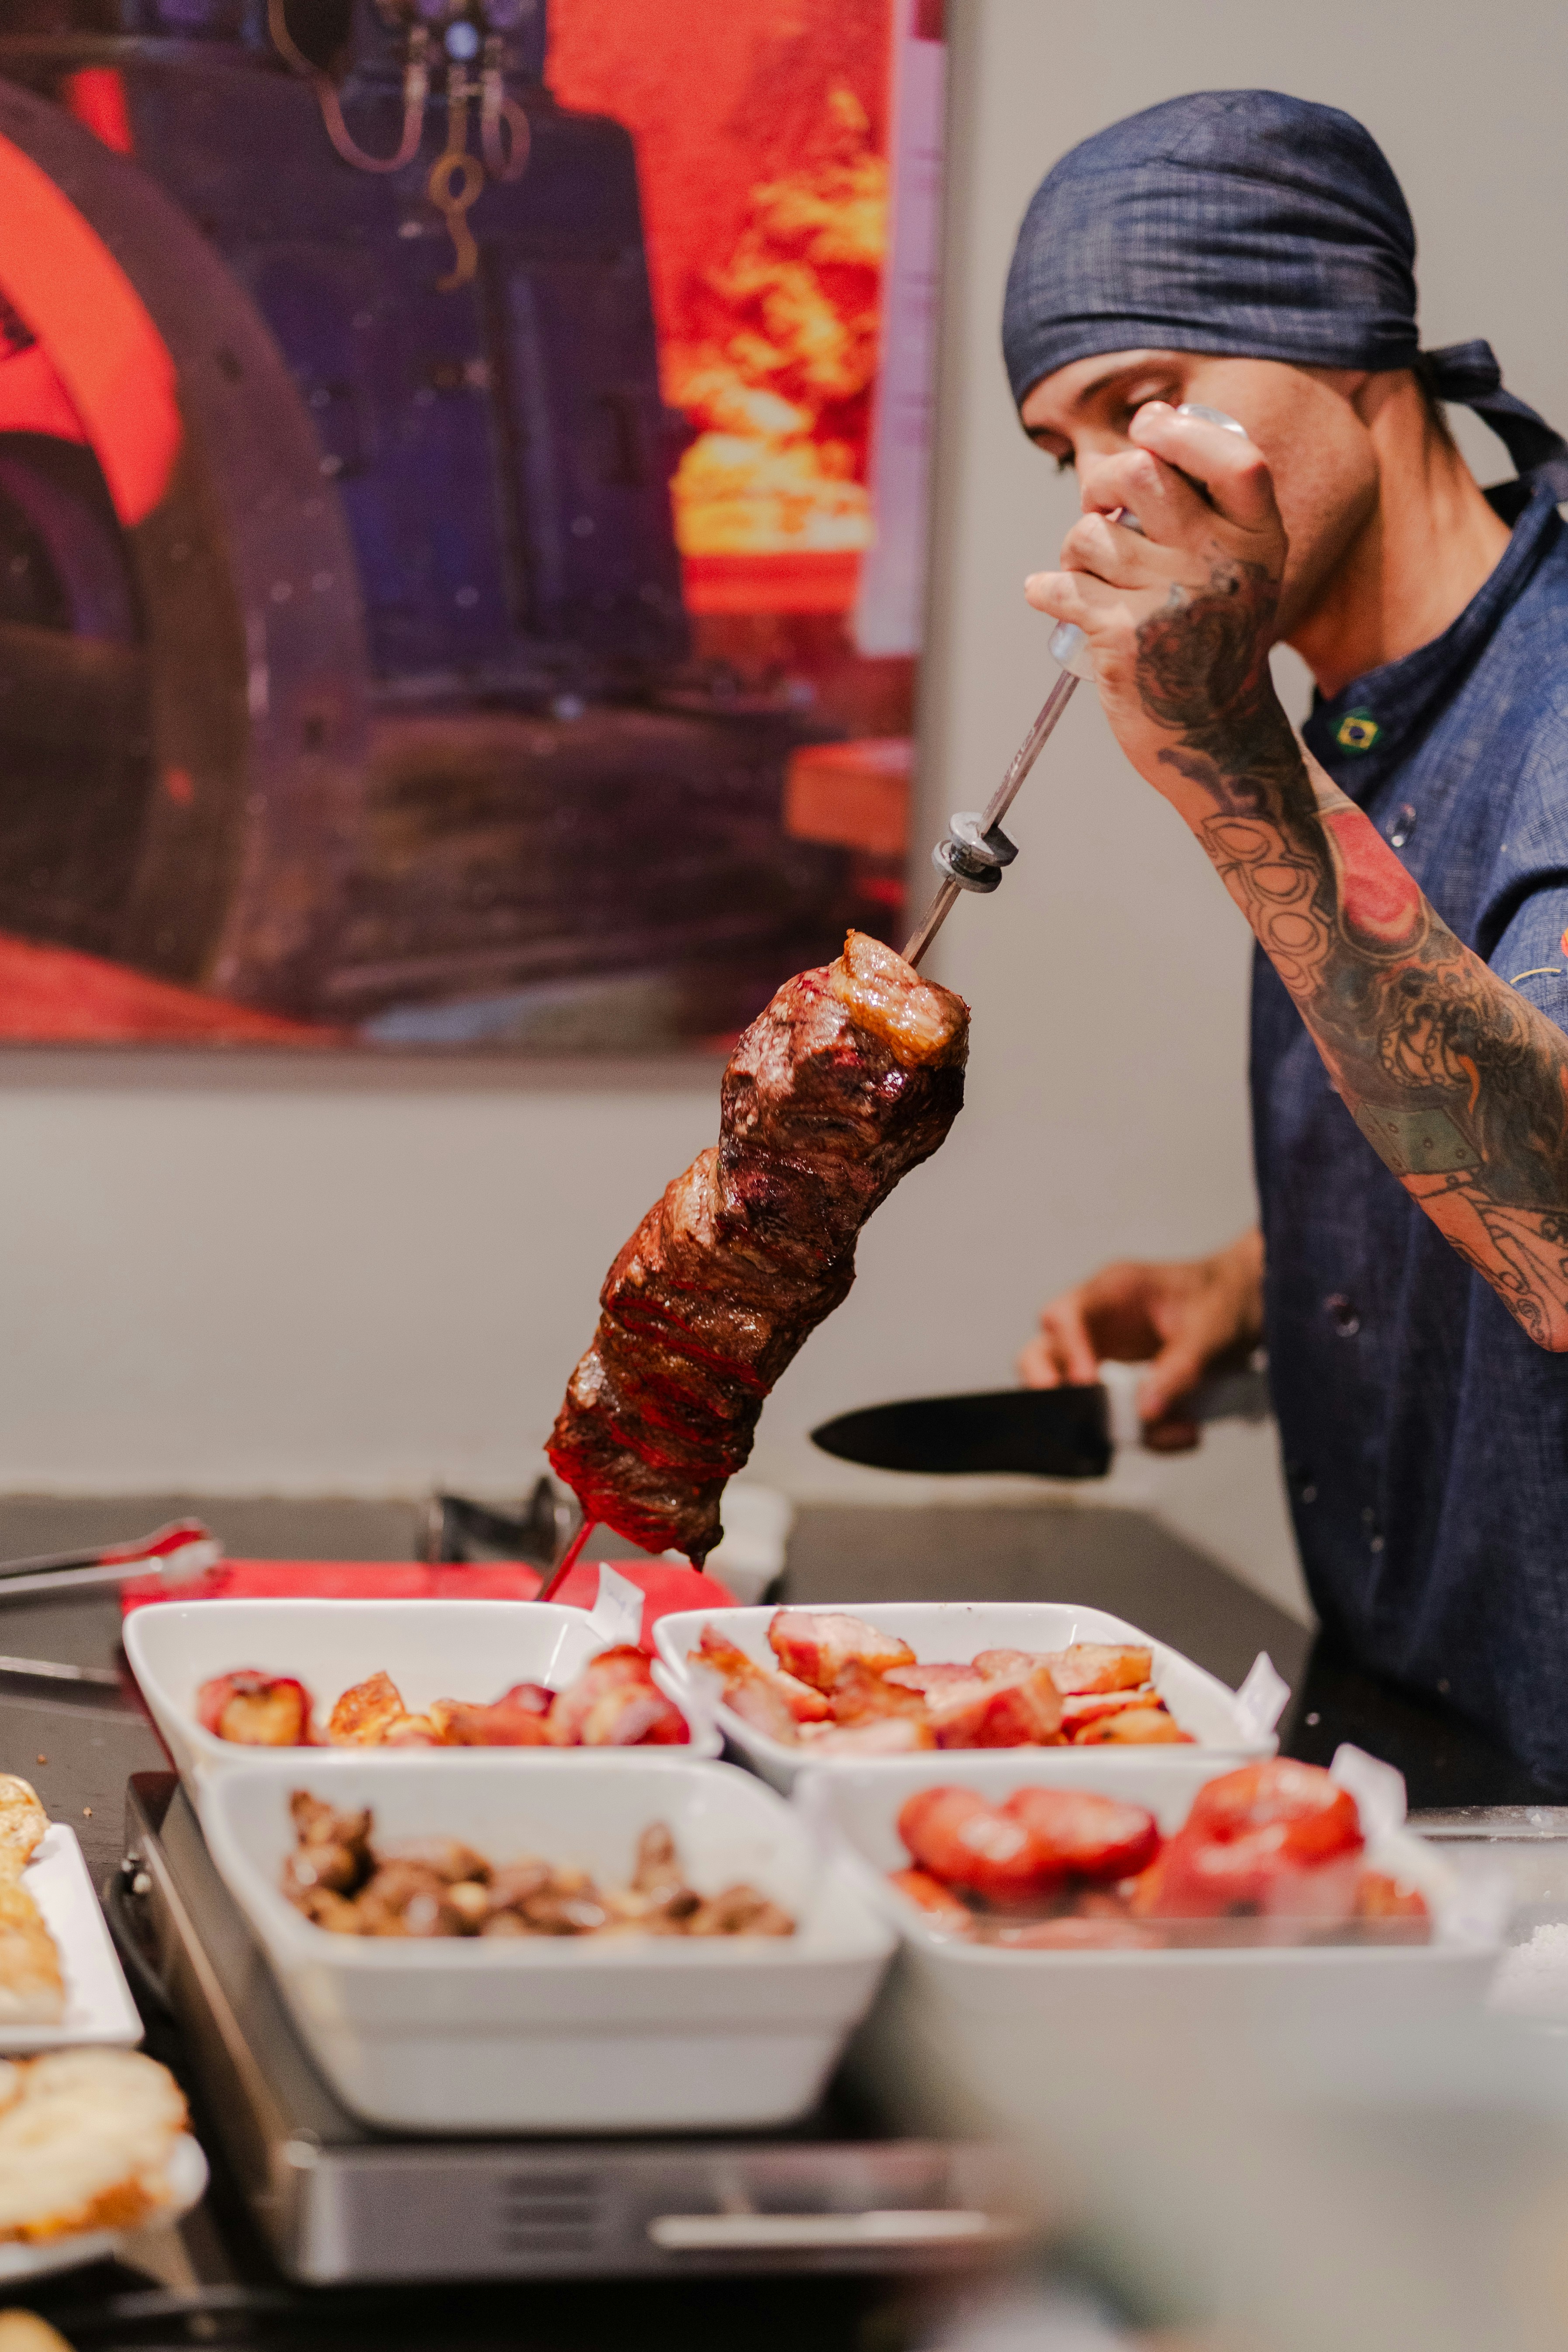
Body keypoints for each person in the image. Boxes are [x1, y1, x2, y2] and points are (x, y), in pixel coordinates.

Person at [1004, 90, 1568, 1784]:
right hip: (1415, 1744)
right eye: (1063, 448)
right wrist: (1253, 1288)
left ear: (1347, 352)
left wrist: (1228, 766)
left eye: (1144, 399)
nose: (1104, 486)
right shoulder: (1369, 724)